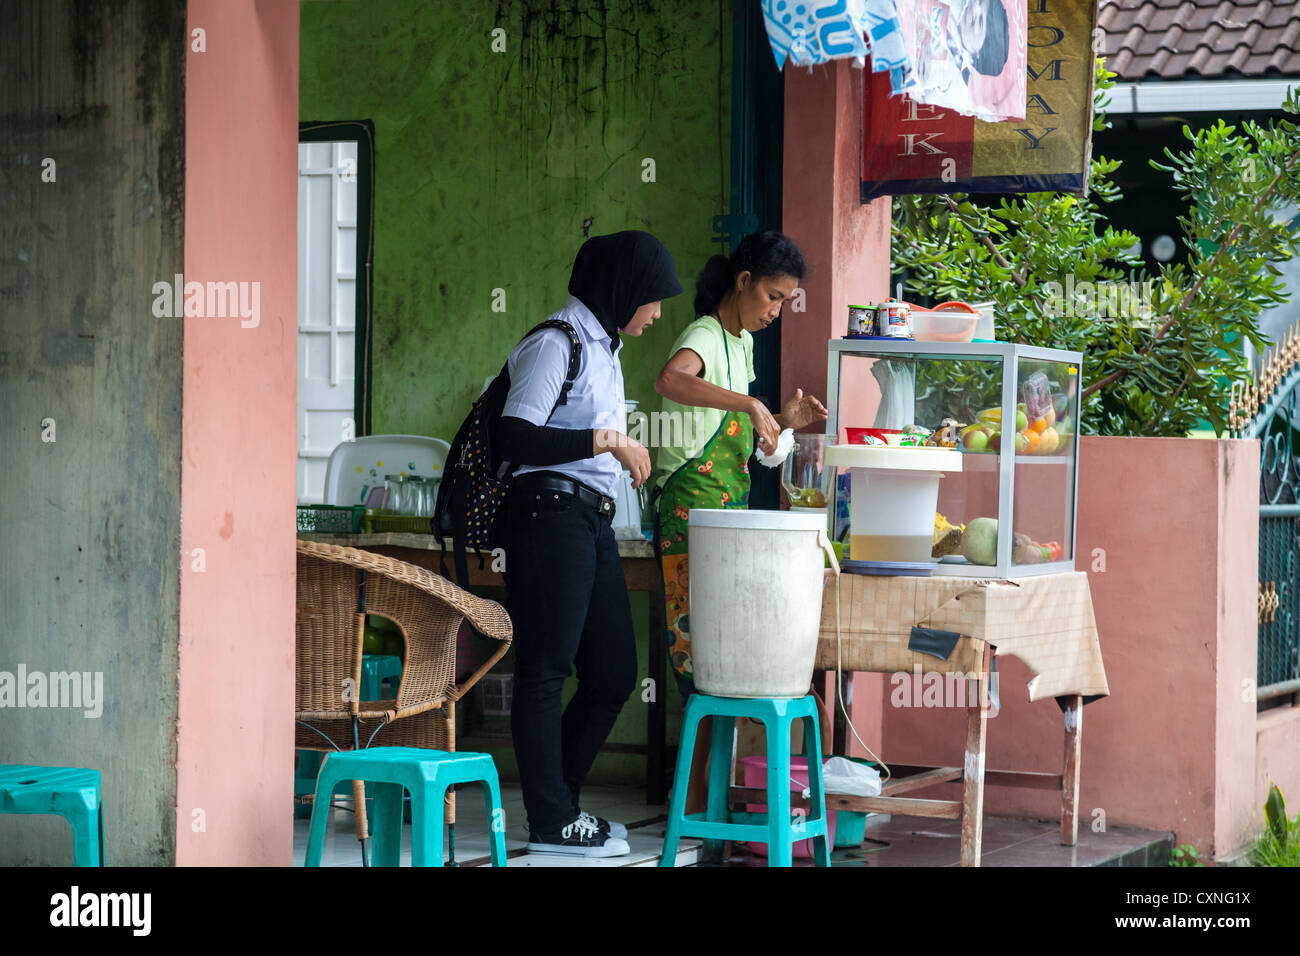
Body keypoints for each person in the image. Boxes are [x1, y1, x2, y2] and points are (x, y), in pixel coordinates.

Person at [495, 230, 682, 857]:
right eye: (652, 298)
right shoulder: (556, 343)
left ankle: (562, 807)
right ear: (621, 288)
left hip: (590, 521)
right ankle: (551, 819)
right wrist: (602, 441)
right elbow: (516, 436)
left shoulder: (606, 346)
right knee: (545, 671)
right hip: (547, 515)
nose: (658, 312)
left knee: (612, 674)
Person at [650, 231, 827, 810]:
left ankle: (706, 803)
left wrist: (780, 418)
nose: (776, 311)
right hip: (688, 515)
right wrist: (751, 406)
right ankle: (694, 804)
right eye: (773, 297)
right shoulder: (704, 332)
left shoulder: (742, 342)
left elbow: (730, 433)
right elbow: (670, 380)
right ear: (743, 281)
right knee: (697, 660)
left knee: (721, 659)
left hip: (725, 513)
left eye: (784, 302)